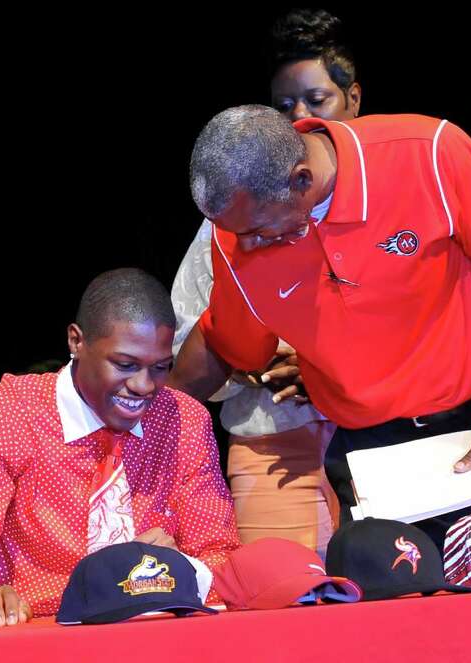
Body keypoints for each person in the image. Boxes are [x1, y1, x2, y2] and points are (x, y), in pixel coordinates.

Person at [171, 104, 471, 549]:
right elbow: (227, 345)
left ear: (301, 180)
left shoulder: (427, 153)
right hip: (375, 456)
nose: (247, 244)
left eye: (258, 229)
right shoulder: (235, 236)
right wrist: (154, 414)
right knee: (403, 617)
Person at [0, 268, 239, 627]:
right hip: (35, 627)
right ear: (76, 341)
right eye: (125, 364)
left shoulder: (183, 421)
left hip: (152, 627)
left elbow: (220, 553)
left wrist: (177, 569)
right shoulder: (0, 415)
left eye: (160, 368)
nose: (145, 385)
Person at [172, 9, 359, 553]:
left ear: (354, 99)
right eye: (283, 106)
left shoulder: (390, 199)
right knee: (286, 609)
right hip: (271, 441)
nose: (297, 116)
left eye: (316, 100)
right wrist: (250, 359)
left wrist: (331, 365)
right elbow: (187, 332)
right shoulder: (233, 214)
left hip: (387, 433)